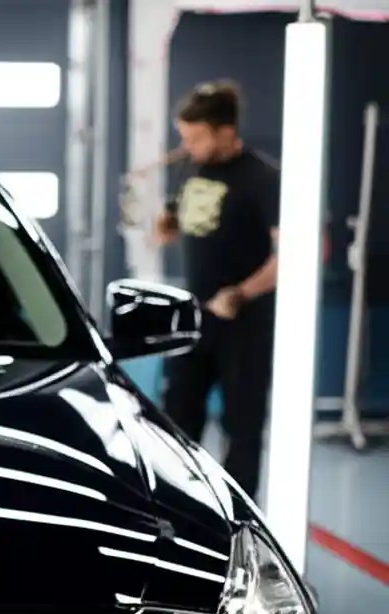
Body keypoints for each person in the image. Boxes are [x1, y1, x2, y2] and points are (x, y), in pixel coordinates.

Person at [156, 80, 279, 502]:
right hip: (196, 318)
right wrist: (166, 224)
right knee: (176, 419)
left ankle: (239, 518)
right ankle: (177, 509)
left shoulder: (263, 178)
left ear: (225, 131)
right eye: (184, 137)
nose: (188, 145)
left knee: (242, 427)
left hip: (243, 323)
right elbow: (176, 216)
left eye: (196, 137)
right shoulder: (190, 166)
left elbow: (296, 254)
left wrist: (241, 293)